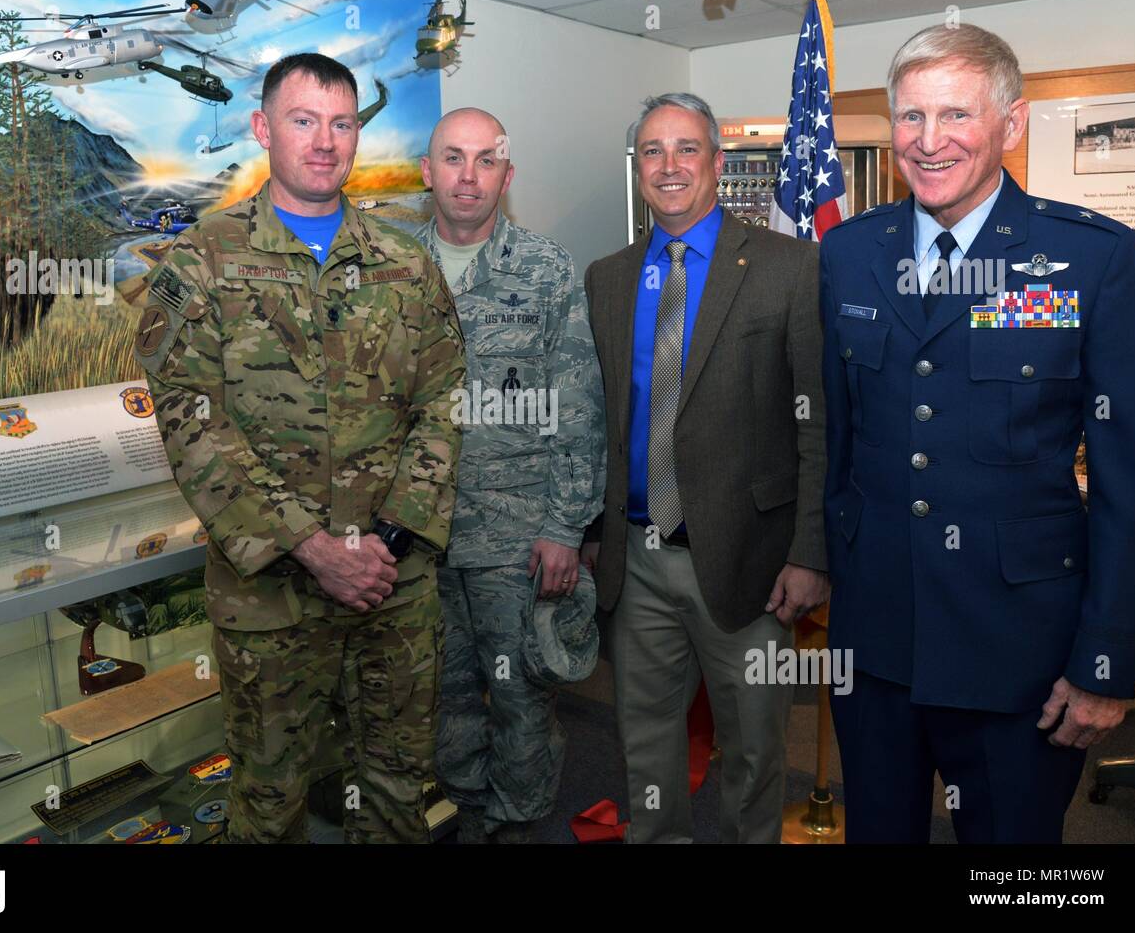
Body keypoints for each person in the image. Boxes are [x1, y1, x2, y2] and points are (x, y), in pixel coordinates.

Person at [820, 23, 1135, 843]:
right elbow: (837, 442)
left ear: (1011, 124)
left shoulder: (1091, 258)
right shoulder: (849, 254)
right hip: (878, 648)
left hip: (1021, 657)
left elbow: (1132, 477)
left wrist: (1105, 659)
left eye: (956, 117)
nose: (929, 143)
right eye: (910, 118)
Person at [133, 52, 466, 843]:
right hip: (271, 595)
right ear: (262, 130)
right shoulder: (205, 259)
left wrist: (384, 540)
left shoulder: (405, 263)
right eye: (304, 120)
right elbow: (188, 418)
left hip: (394, 583)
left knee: (395, 788)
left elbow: (448, 400)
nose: (325, 141)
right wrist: (313, 546)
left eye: (342, 123)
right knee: (269, 801)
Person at [583, 93, 829, 843]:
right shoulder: (609, 277)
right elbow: (602, 418)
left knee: (757, 752)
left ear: (718, 163)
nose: (669, 166)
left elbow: (819, 423)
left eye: (686, 148)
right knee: (647, 749)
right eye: (653, 151)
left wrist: (809, 553)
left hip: (750, 565)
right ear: (640, 170)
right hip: (638, 561)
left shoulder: (790, 267)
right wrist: (594, 529)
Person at [414, 108, 606, 844]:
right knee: (444, 695)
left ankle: (518, 828)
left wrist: (566, 528)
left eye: (484, 160)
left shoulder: (546, 268)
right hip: (418, 537)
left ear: (506, 175)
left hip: (515, 535)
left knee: (521, 695)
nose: (468, 176)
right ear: (428, 172)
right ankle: (468, 814)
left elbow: (579, 407)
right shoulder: (392, 269)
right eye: (453, 159)